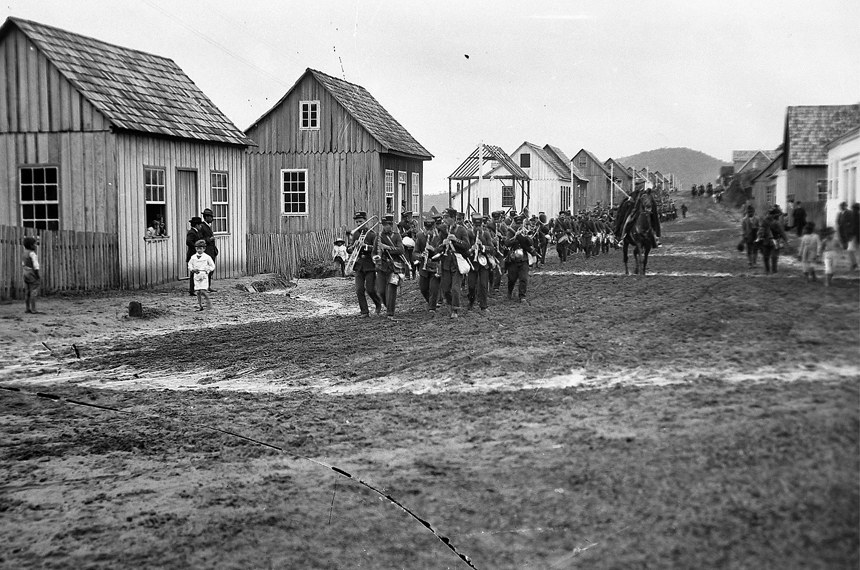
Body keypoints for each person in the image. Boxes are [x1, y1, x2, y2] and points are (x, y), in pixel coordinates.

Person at [347, 211, 382, 317]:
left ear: (365, 222)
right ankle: (364, 311)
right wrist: (353, 247)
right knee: (359, 290)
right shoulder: (355, 234)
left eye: (360, 222)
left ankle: (378, 304)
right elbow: (349, 249)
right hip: (358, 266)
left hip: (369, 265)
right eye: (357, 222)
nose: (358, 224)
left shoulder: (372, 234)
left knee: (370, 289)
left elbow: (376, 249)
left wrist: (365, 246)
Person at [437, 207, 470, 318]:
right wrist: (443, 244)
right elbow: (437, 247)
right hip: (446, 262)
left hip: (456, 262)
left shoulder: (461, 230)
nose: (444, 220)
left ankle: (455, 309)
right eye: (444, 217)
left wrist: (456, 240)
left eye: (446, 217)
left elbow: (466, 246)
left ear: (453, 218)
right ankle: (450, 304)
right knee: (446, 289)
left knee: (455, 289)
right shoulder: (442, 230)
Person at [373, 214, 406, 319]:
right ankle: (388, 307)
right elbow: (374, 252)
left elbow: (401, 250)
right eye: (383, 225)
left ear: (391, 225)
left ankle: (390, 313)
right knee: (381, 291)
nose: (385, 227)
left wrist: (387, 247)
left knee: (391, 290)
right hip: (382, 266)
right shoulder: (378, 237)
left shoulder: (396, 236)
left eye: (387, 224)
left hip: (394, 267)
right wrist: (375, 257)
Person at [466, 213, 496, 311]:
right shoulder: (469, 233)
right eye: (476, 226)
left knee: (483, 285)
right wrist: (471, 248)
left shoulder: (486, 234)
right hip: (472, 263)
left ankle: (483, 305)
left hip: (484, 263)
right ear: (473, 225)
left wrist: (482, 246)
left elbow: (492, 248)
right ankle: (471, 301)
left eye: (479, 226)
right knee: (471, 285)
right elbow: (465, 249)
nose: (477, 228)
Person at [504, 214, 536, 302]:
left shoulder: (525, 231)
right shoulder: (510, 232)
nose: (519, 226)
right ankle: (509, 292)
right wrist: (515, 237)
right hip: (513, 258)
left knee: (524, 278)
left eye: (520, 224)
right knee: (512, 278)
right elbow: (506, 243)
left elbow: (530, 242)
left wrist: (524, 236)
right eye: (517, 224)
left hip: (523, 258)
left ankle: (522, 296)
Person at [414, 217, 440, 310]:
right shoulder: (420, 236)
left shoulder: (439, 237)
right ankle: (431, 302)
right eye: (427, 229)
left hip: (435, 265)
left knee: (433, 288)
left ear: (434, 227)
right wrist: (420, 256)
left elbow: (441, 251)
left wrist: (433, 249)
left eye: (431, 229)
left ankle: (432, 307)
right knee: (423, 288)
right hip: (423, 266)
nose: (429, 232)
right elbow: (415, 252)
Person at [757, 207, 787, 274]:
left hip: (775, 241)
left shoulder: (777, 222)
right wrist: (759, 237)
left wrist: (785, 239)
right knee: (765, 257)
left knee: (774, 257)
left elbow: (781, 232)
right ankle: (767, 270)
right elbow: (761, 230)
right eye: (769, 214)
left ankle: (774, 271)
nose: (769, 215)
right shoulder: (764, 221)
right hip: (766, 241)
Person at [188, 239, 214, 311]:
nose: (199, 250)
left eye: (200, 248)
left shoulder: (207, 257)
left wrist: (207, 270)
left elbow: (212, 266)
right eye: (197, 248)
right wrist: (192, 269)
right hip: (196, 275)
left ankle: (208, 302)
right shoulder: (193, 257)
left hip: (203, 275)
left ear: (204, 249)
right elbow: (190, 265)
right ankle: (200, 305)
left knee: (203, 290)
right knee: (198, 292)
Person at [200, 208, 219, 291]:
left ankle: (208, 286)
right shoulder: (202, 227)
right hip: (207, 251)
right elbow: (200, 239)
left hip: (211, 251)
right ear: (206, 217)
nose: (212, 219)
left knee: (210, 269)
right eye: (211, 217)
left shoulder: (208, 226)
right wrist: (209, 239)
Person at [22, 236, 41, 314]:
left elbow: (23, 263)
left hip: (25, 272)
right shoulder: (32, 254)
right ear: (31, 245)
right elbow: (36, 265)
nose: (35, 245)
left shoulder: (24, 252)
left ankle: (27, 308)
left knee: (27, 291)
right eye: (34, 244)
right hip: (31, 273)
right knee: (34, 290)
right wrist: (37, 275)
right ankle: (33, 309)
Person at [186, 216, 203, 297]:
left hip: (196, 255)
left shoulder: (196, 232)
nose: (200, 227)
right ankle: (192, 290)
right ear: (196, 225)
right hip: (193, 255)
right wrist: (196, 247)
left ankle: (196, 288)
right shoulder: (192, 232)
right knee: (194, 273)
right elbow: (188, 242)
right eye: (200, 225)